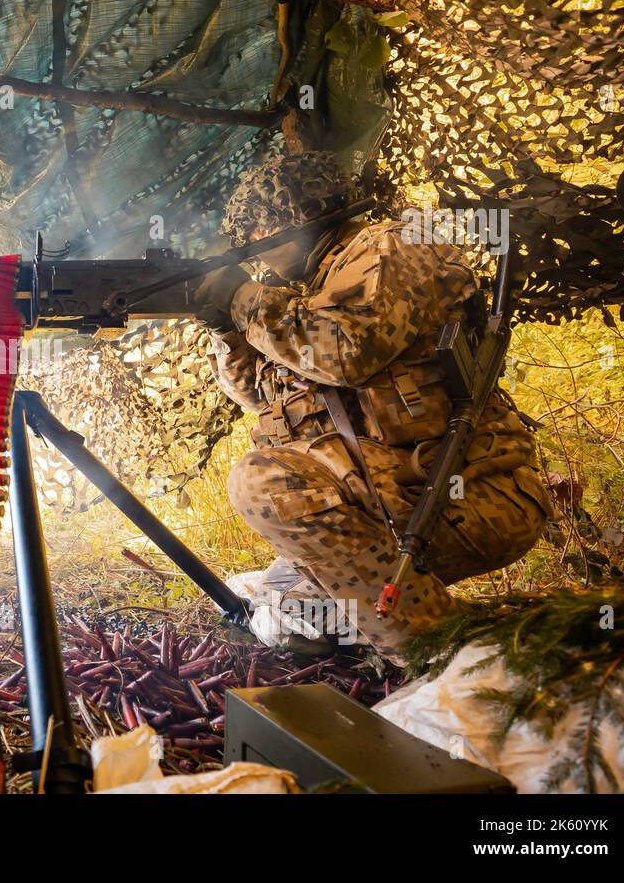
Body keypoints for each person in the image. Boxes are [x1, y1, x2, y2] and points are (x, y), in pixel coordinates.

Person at [195, 152, 550, 664]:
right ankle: (459, 627)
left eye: (258, 230)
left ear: (296, 215)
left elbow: (346, 351)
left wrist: (245, 299)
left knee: (263, 483)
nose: (255, 252)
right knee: (285, 612)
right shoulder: (308, 291)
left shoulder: (391, 245)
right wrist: (225, 327)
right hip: (387, 494)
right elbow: (260, 397)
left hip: (463, 494)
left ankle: (446, 659)